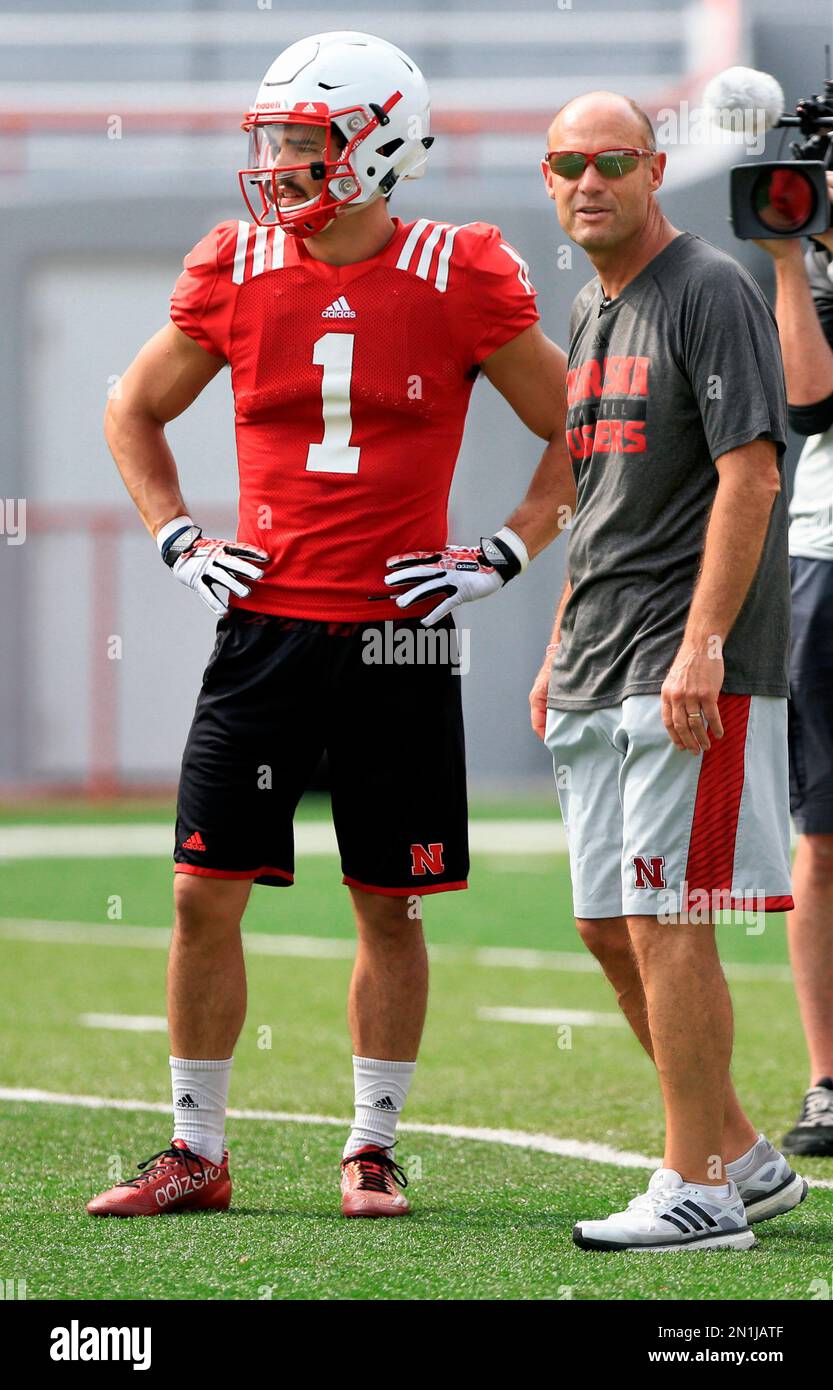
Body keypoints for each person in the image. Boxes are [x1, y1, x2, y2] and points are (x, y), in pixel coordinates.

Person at [87, 31, 573, 1220]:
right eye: (274, 141)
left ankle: (371, 1142)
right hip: (262, 631)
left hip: (396, 636)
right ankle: (195, 1147)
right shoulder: (236, 263)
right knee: (203, 891)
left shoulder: (460, 270)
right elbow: (132, 412)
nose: (280, 165)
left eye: (303, 141)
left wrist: (503, 552)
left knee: (386, 901)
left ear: (379, 142)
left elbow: (585, 435)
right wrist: (177, 536)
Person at [529, 90, 807, 1251]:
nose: (584, 181)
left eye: (608, 161)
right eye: (563, 164)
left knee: (667, 913)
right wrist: (555, 642)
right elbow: (590, 503)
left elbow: (750, 473)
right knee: (607, 921)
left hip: (679, 655)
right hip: (597, 657)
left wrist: (701, 641)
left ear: (650, 171)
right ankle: (743, 1158)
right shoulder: (594, 308)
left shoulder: (707, 288)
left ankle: (696, 1189)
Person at [756, 174, 833, 1157]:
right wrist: (784, 254)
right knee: (823, 838)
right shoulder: (808, 282)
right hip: (826, 559)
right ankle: (827, 1079)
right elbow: (808, 402)